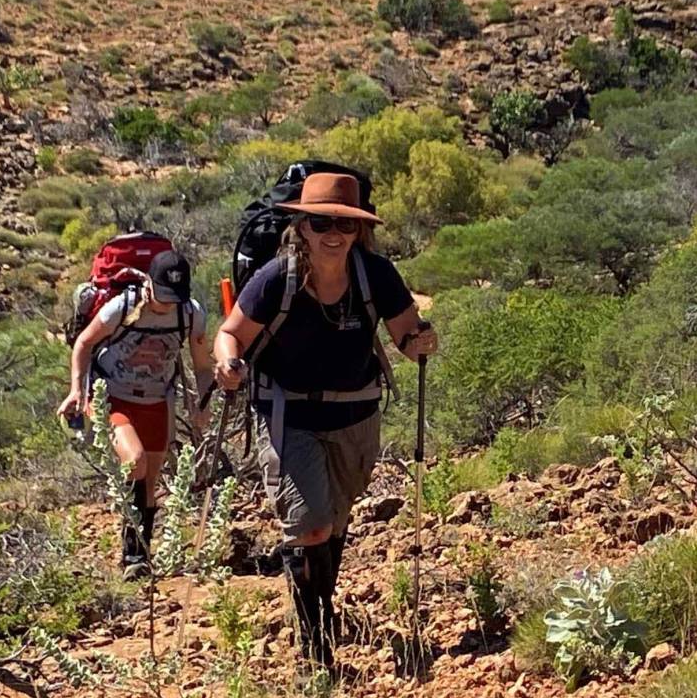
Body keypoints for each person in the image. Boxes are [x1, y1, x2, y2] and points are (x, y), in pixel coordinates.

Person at [213, 172, 437, 668]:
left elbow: (406, 334)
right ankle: (315, 646)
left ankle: (321, 608)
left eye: (344, 224)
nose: (332, 233)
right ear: (303, 227)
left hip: (356, 412)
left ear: (359, 230)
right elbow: (230, 334)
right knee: (310, 523)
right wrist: (228, 363)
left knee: (334, 520)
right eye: (321, 222)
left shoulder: (375, 275)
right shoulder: (276, 279)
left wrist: (420, 342)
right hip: (289, 413)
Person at [59, 250, 214, 579]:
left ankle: (139, 553)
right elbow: (84, 344)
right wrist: (77, 390)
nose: (168, 303)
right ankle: (132, 556)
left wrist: (203, 401)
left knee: (150, 481)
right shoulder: (123, 307)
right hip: (112, 396)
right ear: (149, 285)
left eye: (175, 297)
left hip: (157, 400)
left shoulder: (190, 313)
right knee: (136, 461)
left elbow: (202, 364)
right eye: (163, 295)